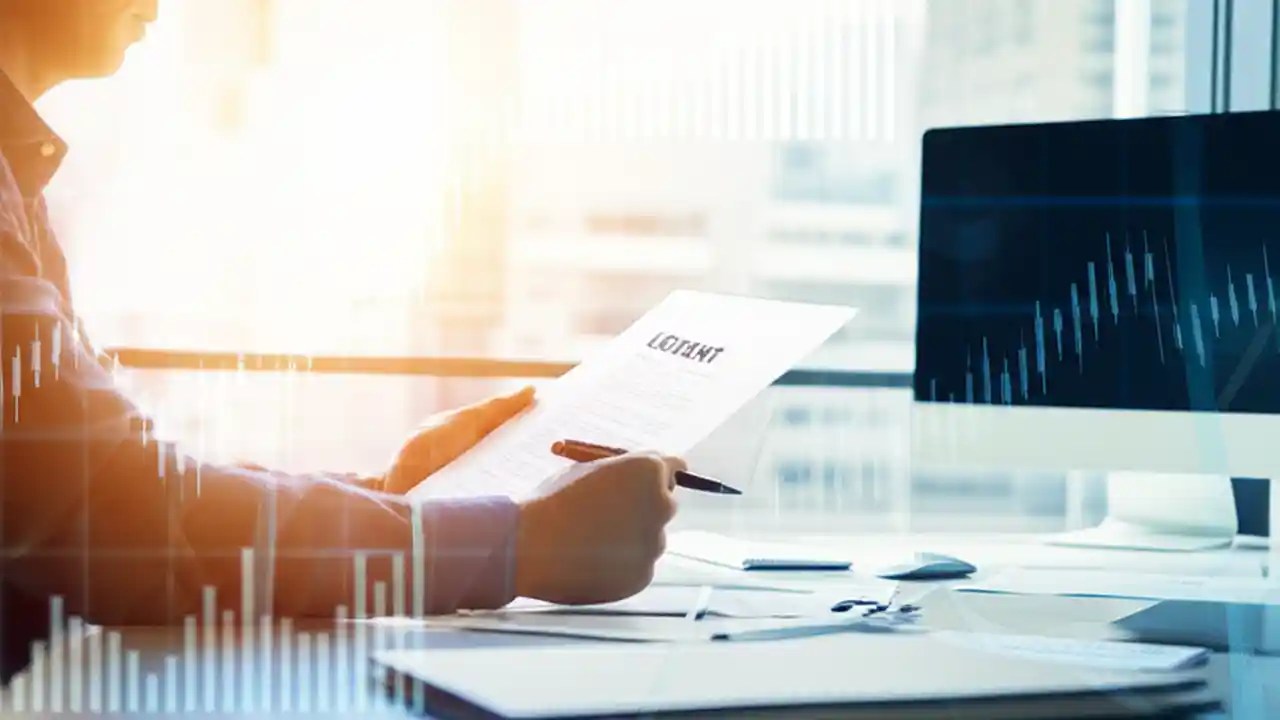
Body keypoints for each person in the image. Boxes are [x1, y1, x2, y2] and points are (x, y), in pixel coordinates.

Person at [0, 0, 683, 681]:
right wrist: (522, 548)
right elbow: (119, 524)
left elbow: (100, 485)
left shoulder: (17, 173)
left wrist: (392, 498)